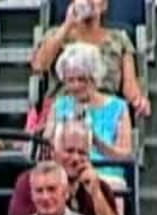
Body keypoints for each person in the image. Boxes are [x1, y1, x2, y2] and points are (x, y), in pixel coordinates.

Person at [8, 122, 127, 215]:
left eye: (82, 153)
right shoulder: (30, 182)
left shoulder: (100, 188)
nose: (75, 158)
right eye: (69, 151)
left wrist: (96, 194)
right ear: (53, 152)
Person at [31, 0, 149, 115]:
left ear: (104, 5)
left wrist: (138, 101)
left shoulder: (120, 39)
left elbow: (130, 87)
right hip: (63, 109)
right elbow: (39, 65)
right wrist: (68, 25)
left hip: (104, 111)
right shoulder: (56, 34)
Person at [41, 43, 132, 187]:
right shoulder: (59, 105)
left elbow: (125, 155)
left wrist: (95, 141)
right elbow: (46, 146)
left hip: (105, 175)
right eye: (70, 80)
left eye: (82, 79)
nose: (76, 86)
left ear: (95, 79)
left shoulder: (118, 107)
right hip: (66, 175)